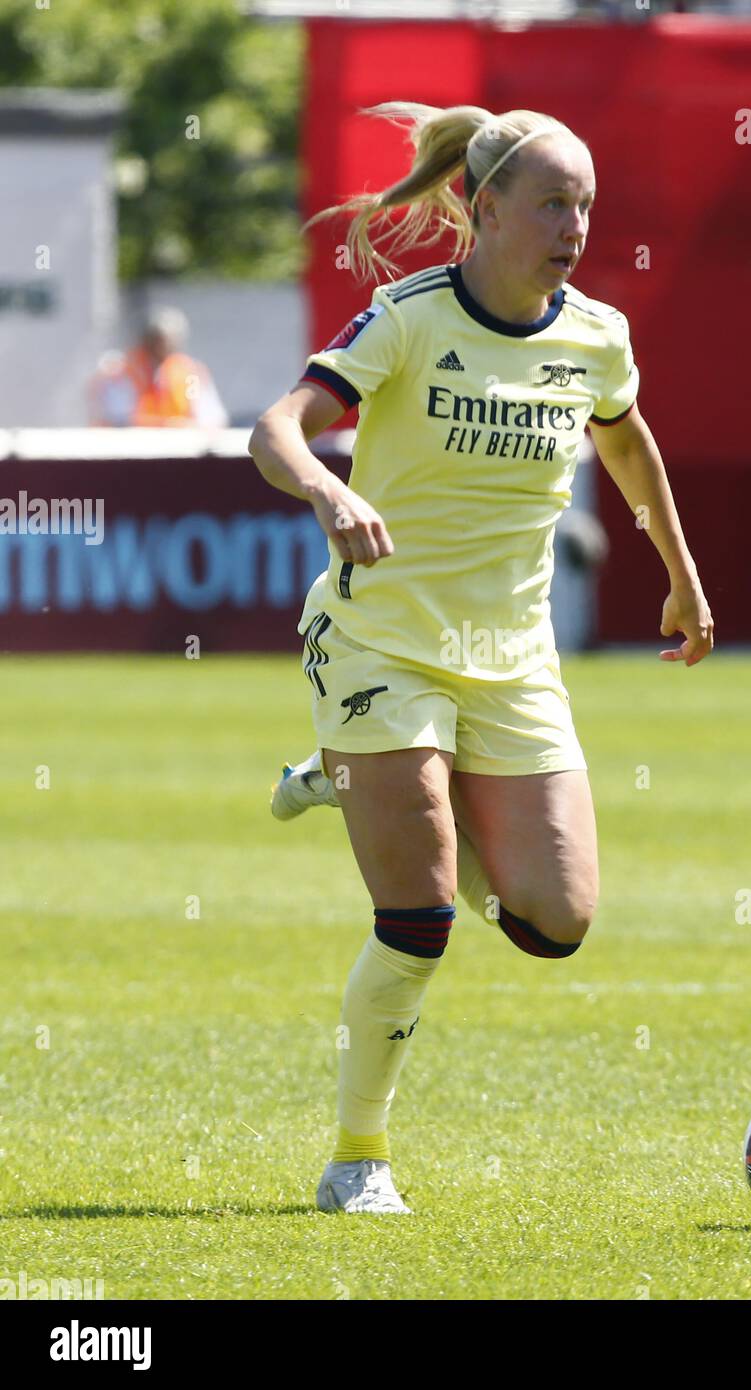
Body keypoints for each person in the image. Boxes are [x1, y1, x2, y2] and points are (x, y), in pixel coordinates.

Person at [248, 102, 714, 1215]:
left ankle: (356, 779)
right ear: (487, 206)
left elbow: (630, 442)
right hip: (379, 643)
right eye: (553, 201)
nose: (575, 224)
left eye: (587, 205)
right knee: (419, 915)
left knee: (557, 922)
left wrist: (682, 574)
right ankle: (357, 1158)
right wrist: (328, 487)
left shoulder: (595, 336)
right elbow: (275, 428)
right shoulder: (406, 320)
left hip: (513, 665)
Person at [88, 307, 228, 428]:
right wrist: (165, 425)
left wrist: (181, 426)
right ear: (146, 341)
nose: (163, 348)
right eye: (158, 342)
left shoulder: (189, 374)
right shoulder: (121, 372)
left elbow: (210, 417)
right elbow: (118, 419)